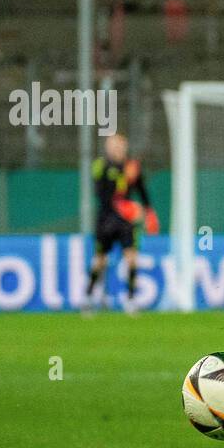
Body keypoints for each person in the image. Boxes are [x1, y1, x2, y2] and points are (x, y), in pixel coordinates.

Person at [84, 133, 157, 314]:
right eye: (113, 146)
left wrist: (149, 212)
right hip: (106, 220)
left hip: (126, 222)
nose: (117, 149)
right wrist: (122, 205)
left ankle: (131, 299)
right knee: (100, 261)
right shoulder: (100, 166)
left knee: (132, 258)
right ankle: (89, 296)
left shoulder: (132, 167)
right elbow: (100, 192)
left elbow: (142, 191)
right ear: (108, 148)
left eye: (120, 146)